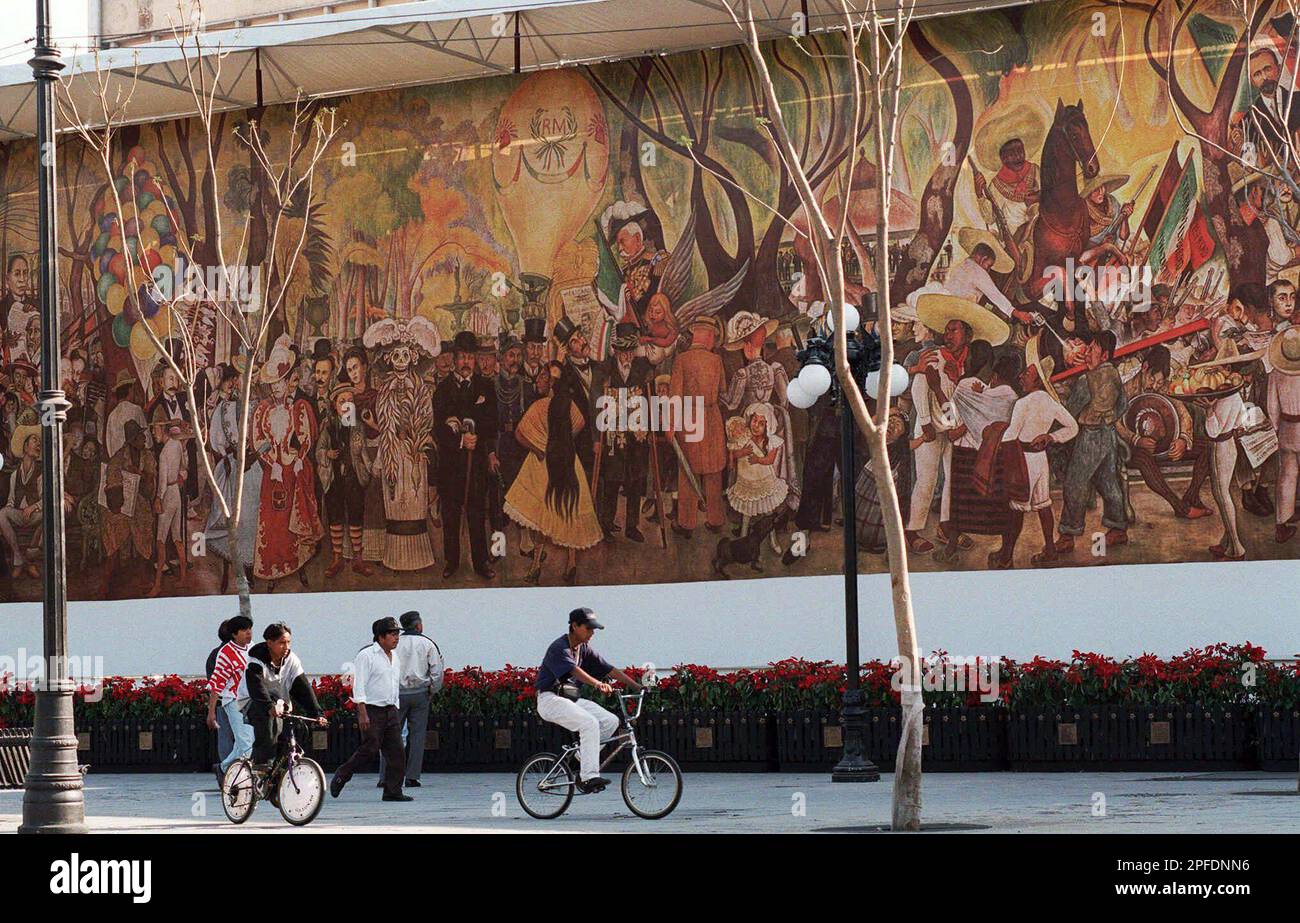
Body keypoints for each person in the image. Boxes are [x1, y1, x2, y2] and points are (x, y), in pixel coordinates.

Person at [505, 362, 603, 585]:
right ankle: (570, 564)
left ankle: (537, 565)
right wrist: (563, 442)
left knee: (544, 518)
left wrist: (540, 448)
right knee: (567, 511)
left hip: (543, 464)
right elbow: (580, 423)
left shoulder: (541, 406)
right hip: (566, 460)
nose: (538, 381)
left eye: (543, 377)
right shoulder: (566, 405)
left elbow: (520, 434)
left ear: (551, 384)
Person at [534, 607, 641, 794]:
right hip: (549, 700)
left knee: (610, 721)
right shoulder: (559, 648)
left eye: (594, 630)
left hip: (569, 700)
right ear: (575, 626)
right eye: (588, 628)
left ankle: (582, 759)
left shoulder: (583, 648)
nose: (592, 633)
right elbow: (574, 670)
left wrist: (636, 686)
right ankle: (589, 777)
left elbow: (609, 669)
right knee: (589, 723)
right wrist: (598, 684)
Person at [995, 335, 1079, 567]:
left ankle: (1006, 557)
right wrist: (1051, 437)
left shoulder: (1023, 404)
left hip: (1022, 460)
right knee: (1043, 506)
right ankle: (1050, 550)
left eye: (1026, 374)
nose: (1021, 377)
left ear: (1038, 381)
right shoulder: (1050, 402)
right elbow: (1072, 427)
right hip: (1041, 461)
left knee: (1016, 510)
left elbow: (1011, 434)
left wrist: (994, 441)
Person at [433, 331, 499, 580]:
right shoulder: (442, 390)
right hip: (451, 465)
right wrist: (461, 439)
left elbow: (492, 423)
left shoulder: (486, 387)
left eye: (470, 357)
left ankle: (481, 562)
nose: (466, 362)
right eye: (462, 357)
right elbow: (438, 428)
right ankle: (452, 561)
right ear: (454, 358)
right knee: (450, 514)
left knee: (476, 513)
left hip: (477, 463)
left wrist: (477, 437)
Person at [1057, 330, 1129, 552]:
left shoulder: (1085, 380)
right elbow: (1123, 404)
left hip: (1090, 436)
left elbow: (1070, 411)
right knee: (1108, 482)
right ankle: (1118, 528)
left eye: (1091, 350)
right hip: (1108, 434)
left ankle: (1069, 534)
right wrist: (1109, 417)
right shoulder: (1114, 375)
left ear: (1105, 356)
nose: (1086, 354)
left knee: (1074, 483)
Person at [330, 617, 411, 802]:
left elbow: (393, 684)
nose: (396, 638)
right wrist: (362, 711)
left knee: (397, 751)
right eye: (392, 634)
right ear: (380, 637)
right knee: (370, 748)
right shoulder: (366, 655)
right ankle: (343, 774)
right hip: (372, 709)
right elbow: (359, 685)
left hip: (390, 709)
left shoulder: (395, 657)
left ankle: (393, 791)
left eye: (397, 634)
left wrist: (395, 707)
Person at [236, 622, 326, 773]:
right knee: (269, 722)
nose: (286, 647)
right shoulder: (255, 661)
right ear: (269, 643)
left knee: (290, 733)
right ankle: (262, 762)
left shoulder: (292, 660)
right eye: (282, 643)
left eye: (288, 642)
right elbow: (257, 688)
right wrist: (269, 706)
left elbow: (302, 688)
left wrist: (317, 714)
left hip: (280, 703)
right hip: (254, 701)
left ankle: (279, 773)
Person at [592, 323, 653, 541]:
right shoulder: (603, 370)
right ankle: (606, 525)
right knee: (612, 480)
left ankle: (632, 526)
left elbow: (650, 400)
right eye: (623, 351)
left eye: (630, 351)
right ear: (616, 351)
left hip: (637, 435)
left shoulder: (644, 368)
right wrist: (596, 437)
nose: (627, 356)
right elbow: (595, 405)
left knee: (635, 480)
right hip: (611, 435)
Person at [669, 316, 727, 536]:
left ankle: (686, 523)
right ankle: (715, 519)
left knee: (687, 471)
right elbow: (722, 391)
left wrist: (671, 425)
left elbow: (674, 396)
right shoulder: (716, 361)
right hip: (712, 418)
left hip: (690, 419)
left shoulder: (682, 360)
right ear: (709, 335)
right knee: (713, 472)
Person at [377, 611, 445, 789]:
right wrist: (432, 690)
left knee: (390, 734)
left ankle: (385, 776)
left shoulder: (394, 643)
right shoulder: (428, 643)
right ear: (418, 625)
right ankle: (412, 776)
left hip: (396, 693)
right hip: (420, 693)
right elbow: (437, 671)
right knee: (417, 736)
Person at [208, 615, 254, 786]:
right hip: (233, 700)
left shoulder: (253, 648)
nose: (248, 633)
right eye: (244, 630)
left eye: (249, 629)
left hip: (251, 700)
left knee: (247, 741)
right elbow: (216, 683)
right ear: (234, 634)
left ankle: (223, 767)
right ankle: (236, 775)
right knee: (246, 743)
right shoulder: (225, 653)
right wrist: (211, 712)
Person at [1267, 326, 1300, 541]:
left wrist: (1276, 429)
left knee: (1287, 477)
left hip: (1287, 429)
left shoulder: (1276, 374)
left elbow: (1272, 407)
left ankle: (1282, 524)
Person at [205, 619, 235, 783]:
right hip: (236, 701)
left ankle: (227, 772)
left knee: (226, 738)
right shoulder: (236, 652)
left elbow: (213, 683)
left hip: (223, 702)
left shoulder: (215, 654)